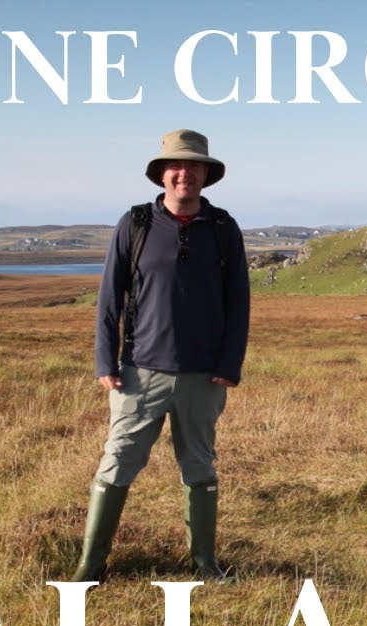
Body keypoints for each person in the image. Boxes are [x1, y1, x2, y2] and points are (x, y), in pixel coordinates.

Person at [71, 129, 250, 583]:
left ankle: (204, 563)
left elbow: (239, 302)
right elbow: (109, 297)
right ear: (162, 174)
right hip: (138, 373)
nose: (184, 173)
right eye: (176, 165)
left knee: (200, 467)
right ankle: (91, 565)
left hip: (204, 377)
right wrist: (105, 360)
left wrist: (229, 365)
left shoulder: (223, 228)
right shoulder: (135, 224)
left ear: (206, 175)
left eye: (194, 166)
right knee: (117, 463)